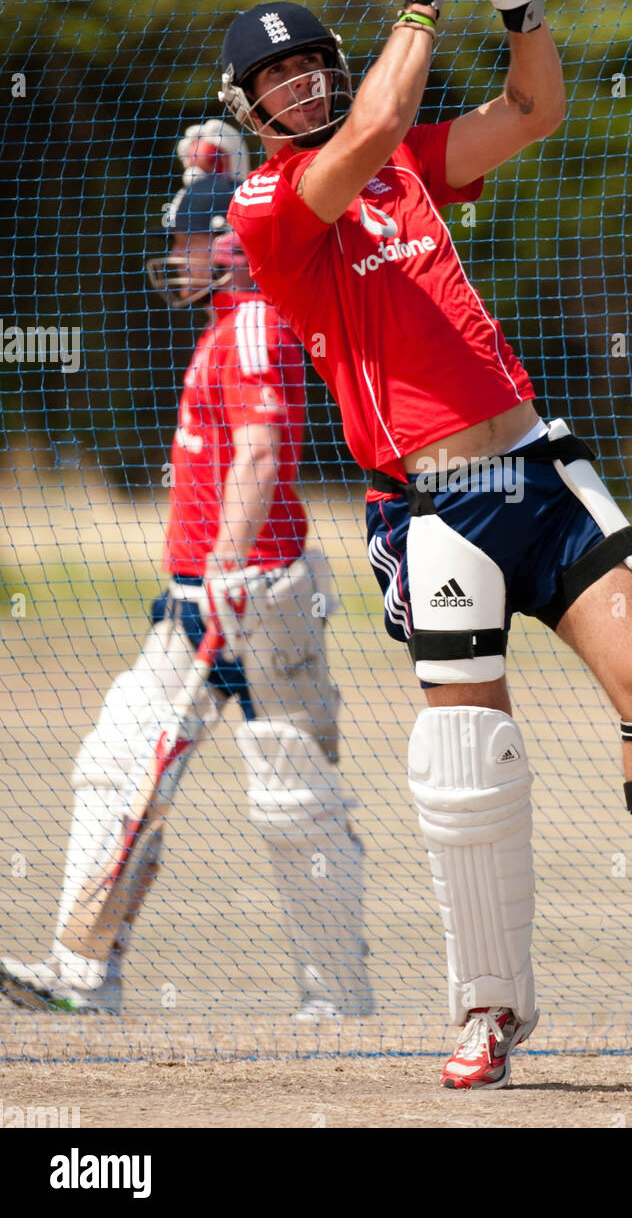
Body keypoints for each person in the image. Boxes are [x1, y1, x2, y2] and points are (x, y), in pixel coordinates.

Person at [219, 0, 632, 1087]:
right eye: (274, 80)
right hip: (430, 506)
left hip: (533, 465)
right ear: (249, 111)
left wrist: (520, 4)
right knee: (469, 752)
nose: (301, 87)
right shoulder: (273, 212)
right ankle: (487, 1007)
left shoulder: (401, 166)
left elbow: (533, 111)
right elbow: (381, 109)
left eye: (311, 65)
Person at [0, 155, 372, 1022]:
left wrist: (229, 565)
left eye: (187, 238)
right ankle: (85, 973)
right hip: (210, 596)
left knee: (294, 800)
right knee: (120, 763)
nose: (174, 252)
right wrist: (221, 168)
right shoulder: (234, 319)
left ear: (229, 249)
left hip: (255, 596)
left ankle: (338, 999)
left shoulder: (248, 328)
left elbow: (262, 450)